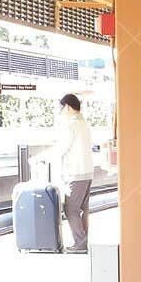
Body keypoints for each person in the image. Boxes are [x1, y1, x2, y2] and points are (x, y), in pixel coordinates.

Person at [51, 92, 94, 253]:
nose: (61, 113)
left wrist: (40, 158)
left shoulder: (71, 125)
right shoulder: (84, 123)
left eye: (61, 109)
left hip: (76, 174)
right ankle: (82, 242)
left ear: (67, 107)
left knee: (71, 209)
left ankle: (80, 244)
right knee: (83, 209)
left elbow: (61, 148)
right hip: (87, 172)